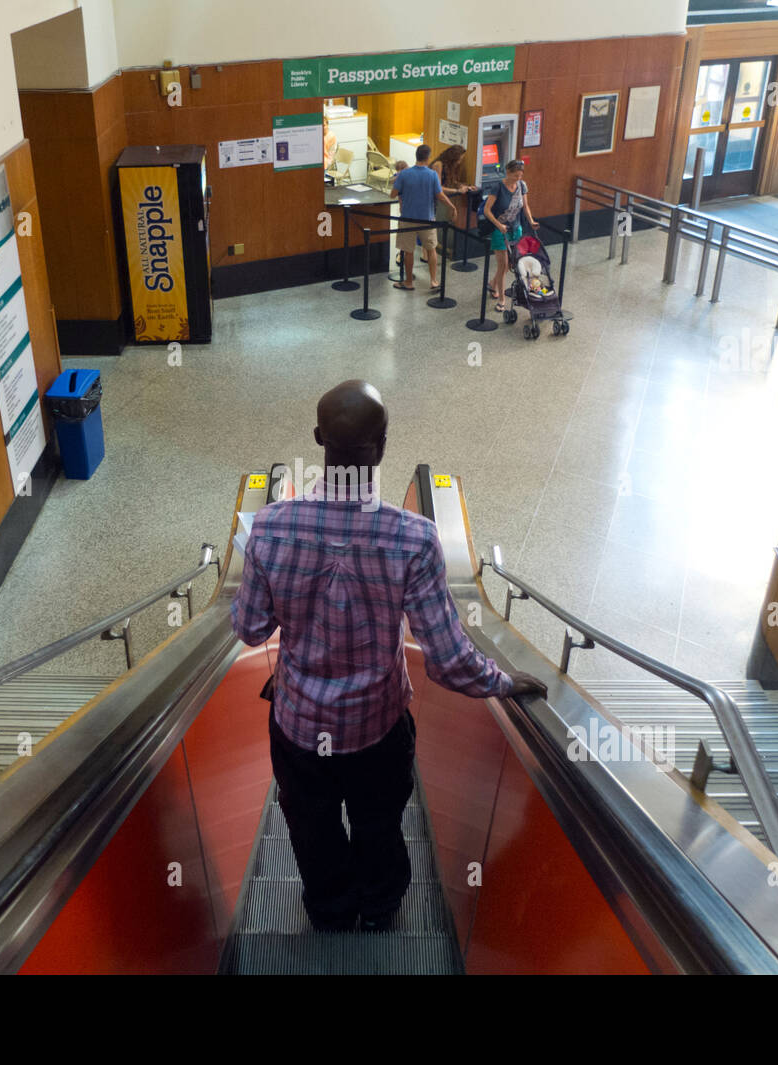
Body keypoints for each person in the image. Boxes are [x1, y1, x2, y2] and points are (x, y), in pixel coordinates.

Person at [230, 380, 547, 933]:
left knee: (312, 827)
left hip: (300, 729)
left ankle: (330, 912)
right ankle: (379, 910)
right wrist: (501, 681)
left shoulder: (271, 528)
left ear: (316, 439)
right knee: (378, 824)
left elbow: (252, 627)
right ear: (381, 446)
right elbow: (448, 659)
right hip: (378, 730)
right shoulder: (415, 539)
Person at [389, 144, 457, 291]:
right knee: (431, 250)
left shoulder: (404, 174)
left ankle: (408, 282)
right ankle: (433, 281)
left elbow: (393, 194)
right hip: (427, 219)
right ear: (428, 157)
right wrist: (452, 206)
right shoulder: (432, 175)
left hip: (408, 218)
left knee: (408, 251)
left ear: (416, 156)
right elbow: (440, 195)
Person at [483, 159, 537, 312]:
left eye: (520, 176)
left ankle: (493, 283)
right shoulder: (498, 187)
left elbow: (525, 206)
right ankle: (501, 298)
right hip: (499, 230)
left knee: (512, 264)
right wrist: (498, 225)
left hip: (516, 228)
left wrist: (531, 221)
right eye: (515, 176)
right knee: (503, 265)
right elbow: (487, 210)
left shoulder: (521, 185)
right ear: (508, 172)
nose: (517, 179)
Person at [430, 145, 474, 261]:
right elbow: (438, 187)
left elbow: (451, 181)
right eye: (459, 159)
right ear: (452, 158)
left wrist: (461, 185)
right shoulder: (438, 165)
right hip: (429, 199)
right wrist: (457, 191)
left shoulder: (449, 166)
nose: (459, 162)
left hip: (438, 200)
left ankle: (434, 249)